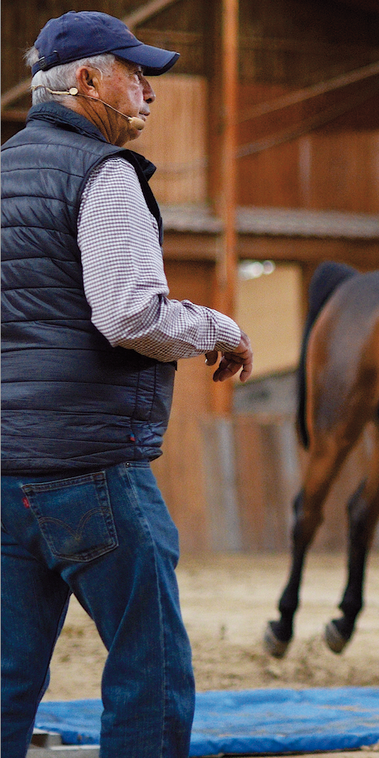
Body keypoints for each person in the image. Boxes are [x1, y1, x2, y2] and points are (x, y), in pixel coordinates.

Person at [1, 11, 254, 758]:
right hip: (91, 470)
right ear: (86, 82)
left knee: (8, 673)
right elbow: (129, 315)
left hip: (5, 472)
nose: (148, 91)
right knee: (151, 667)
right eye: (134, 74)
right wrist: (219, 329)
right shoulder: (103, 174)